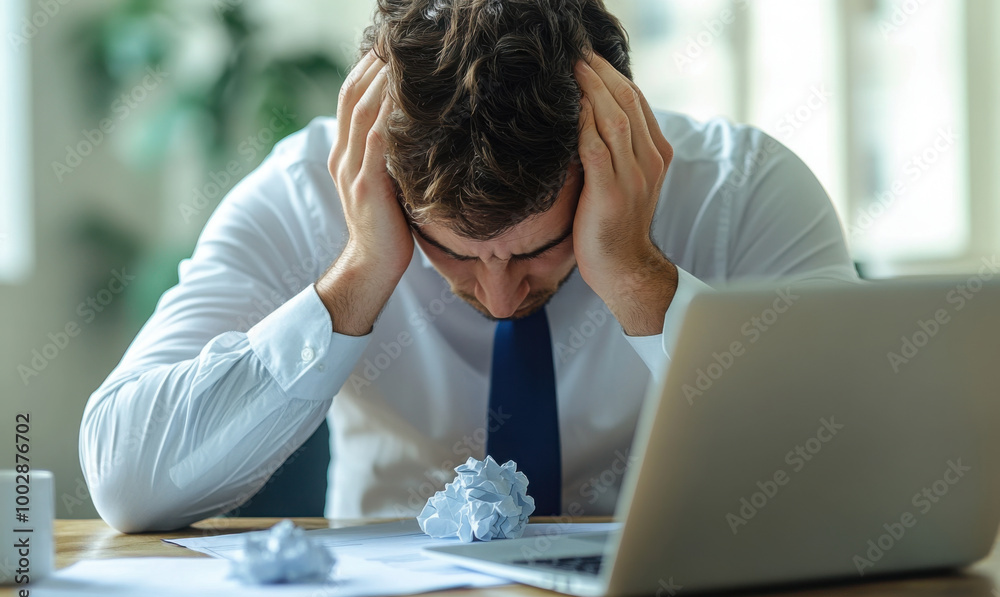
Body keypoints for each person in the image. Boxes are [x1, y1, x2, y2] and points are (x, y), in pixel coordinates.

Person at [79, 0, 857, 533]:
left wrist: (633, 273)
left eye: (539, 246)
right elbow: (126, 479)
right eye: (452, 249)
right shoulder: (305, 193)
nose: (499, 294)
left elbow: (859, 469)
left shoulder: (742, 192)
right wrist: (359, 272)